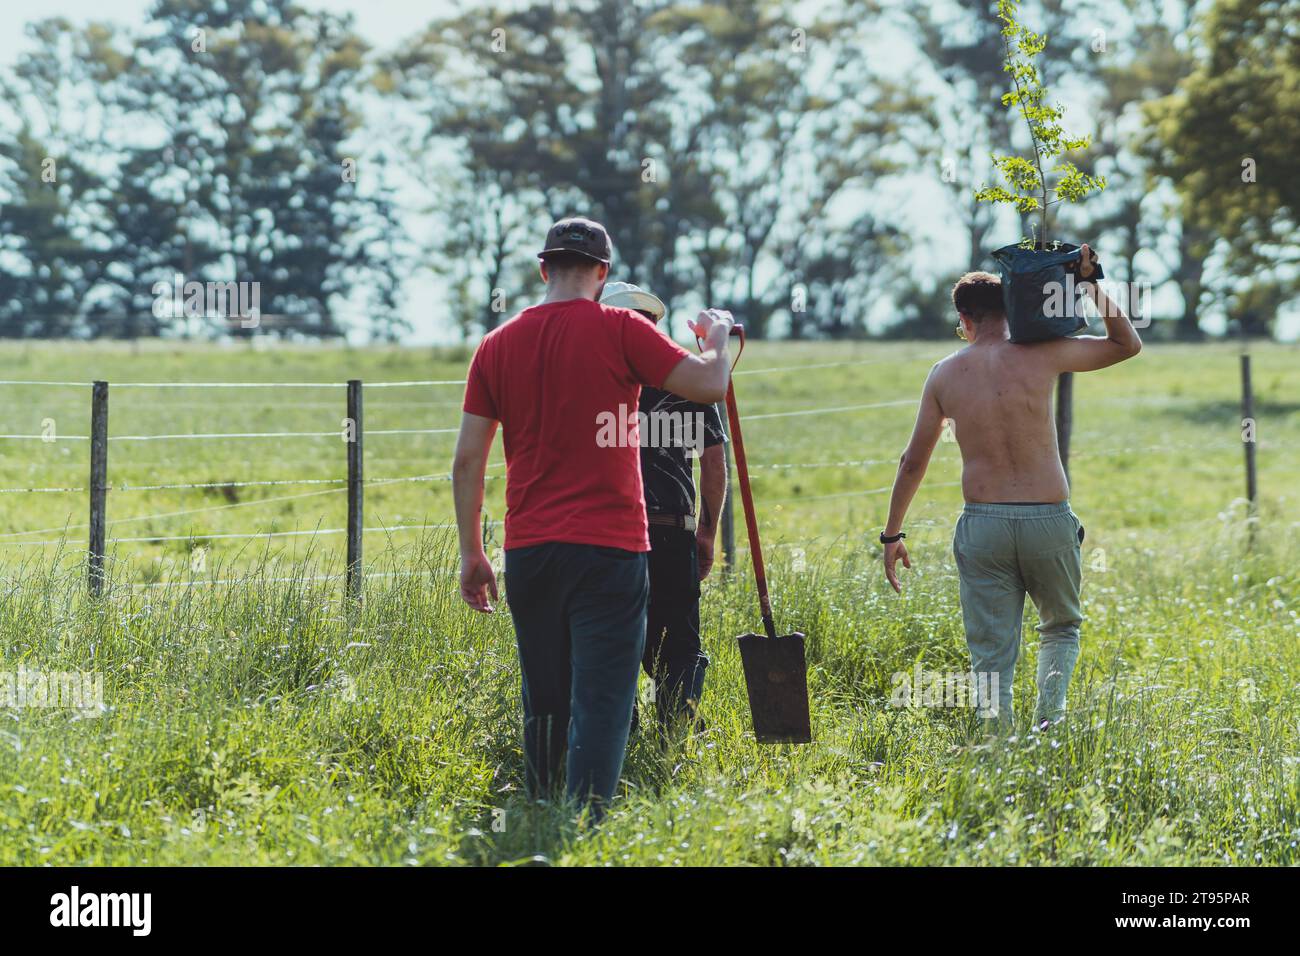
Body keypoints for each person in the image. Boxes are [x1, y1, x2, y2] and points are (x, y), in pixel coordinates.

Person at [451, 216, 735, 820]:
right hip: (611, 547)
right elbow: (710, 385)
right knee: (604, 698)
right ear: (602, 273)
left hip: (529, 549)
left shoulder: (496, 344)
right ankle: (583, 824)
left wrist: (472, 552)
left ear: (543, 268)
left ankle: (539, 813)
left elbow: (467, 460)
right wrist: (714, 335)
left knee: (546, 696)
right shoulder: (620, 328)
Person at [880, 245, 1141, 729]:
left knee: (991, 653)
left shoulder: (944, 374)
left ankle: (998, 747)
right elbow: (1127, 345)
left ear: (965, 319)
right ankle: (1049, 727)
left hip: (984, 527)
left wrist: (892, 535)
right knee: (1060, 628)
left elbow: (913, 461)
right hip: (1048, 518)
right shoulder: (1042, 353)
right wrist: (1090, 281)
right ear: (1012, 308)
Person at [599, 281, 728, 736]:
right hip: (672, 526)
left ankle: (620, 731)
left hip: (606, 530)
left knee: (610, 635)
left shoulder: (594, 379)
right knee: (678, 640)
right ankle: (678, 728)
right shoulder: (689, 377)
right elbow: (714, 461)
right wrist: (707, 531)